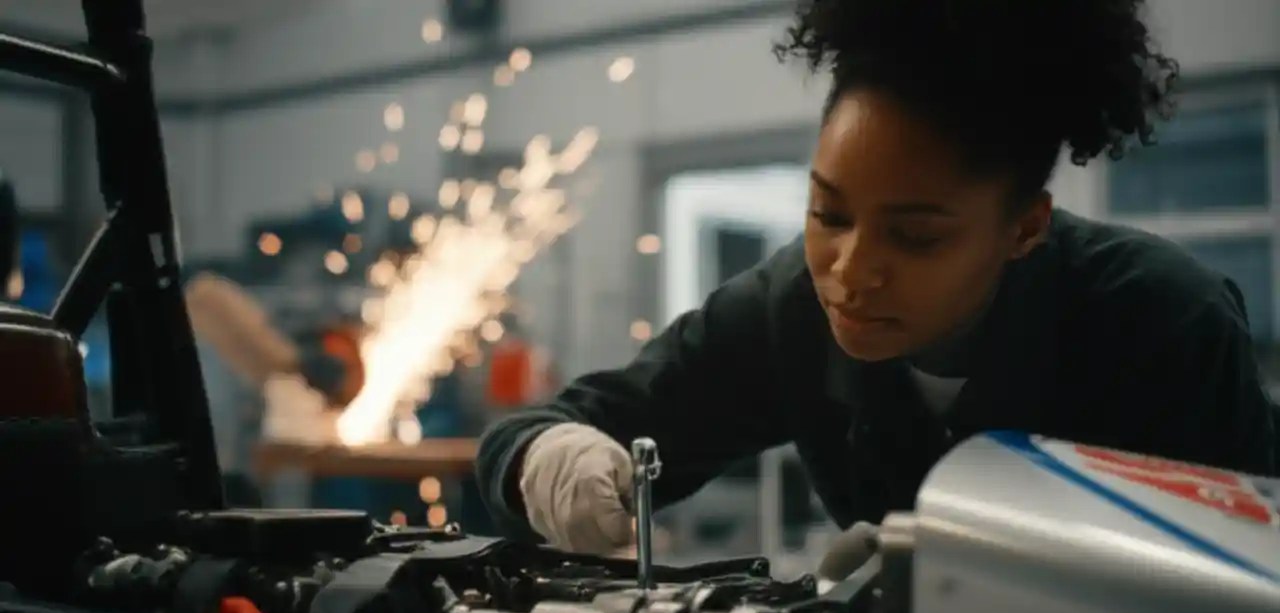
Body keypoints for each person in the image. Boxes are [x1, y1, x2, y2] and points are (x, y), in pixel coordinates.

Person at [475, 0, 1277, 555]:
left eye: (916, 237)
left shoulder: (1164, 325)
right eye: (828, 214)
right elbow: (546, 427)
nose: (850, 273)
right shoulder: (791, 308)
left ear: (1023, 228)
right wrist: (546, 459)